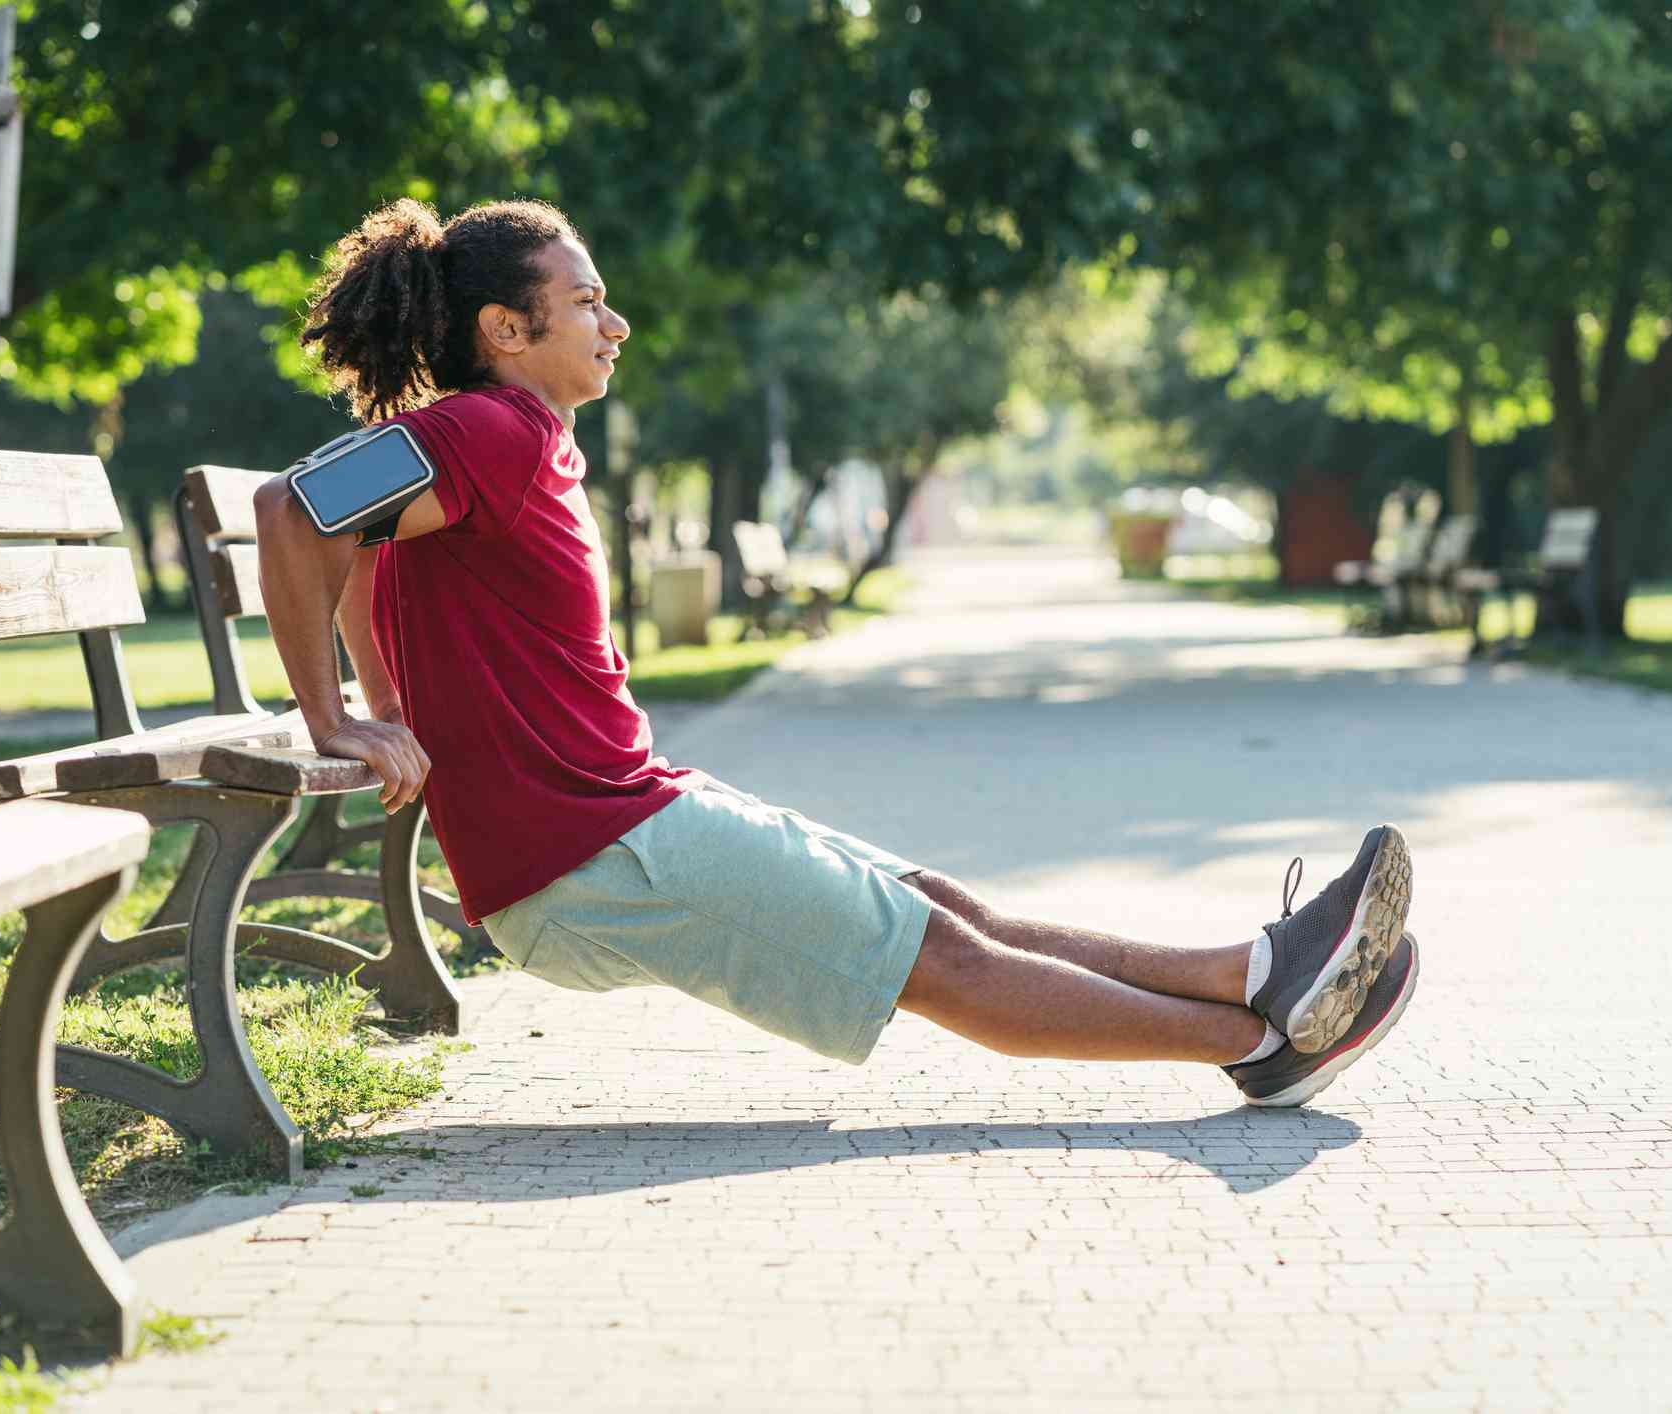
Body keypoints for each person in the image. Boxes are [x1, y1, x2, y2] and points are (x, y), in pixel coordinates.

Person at [253, 197, 1419, 1109]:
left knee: (936, 906)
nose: (616, 324)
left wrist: (387, 705)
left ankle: (1254, 970)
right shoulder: (486, 428)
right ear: (507, 331)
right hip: (590, 850)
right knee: (939, 960)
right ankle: (1264, 1044)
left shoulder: (493, 440)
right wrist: (338, 720)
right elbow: (292, 509)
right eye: (587, 302)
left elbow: (357, 555)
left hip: (619, 819)